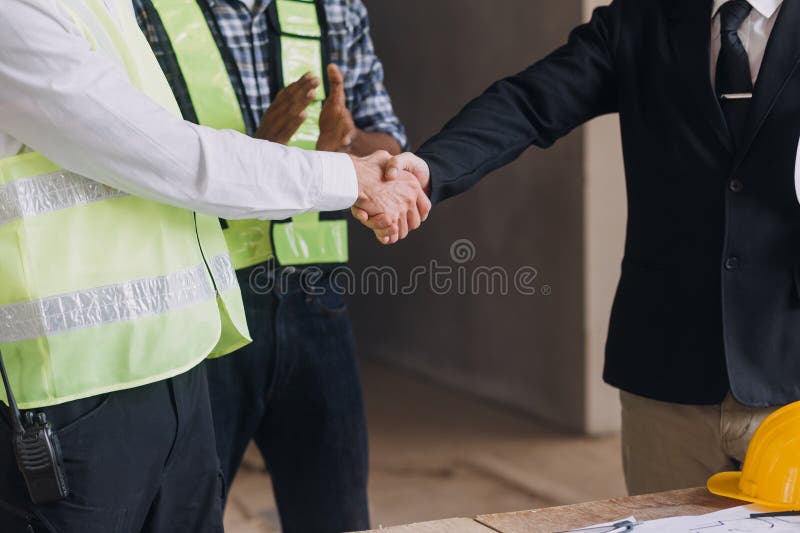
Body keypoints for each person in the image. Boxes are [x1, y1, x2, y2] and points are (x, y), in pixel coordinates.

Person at [0, 0, 427, 531]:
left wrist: (356, 156)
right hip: (72, 391)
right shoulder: (26, 16)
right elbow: (175, 159)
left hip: (188, 352)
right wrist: (345, 176)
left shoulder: (105, 7)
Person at [366, 0, 799, 494]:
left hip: (791, 372)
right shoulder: (642, 18)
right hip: (666, 372)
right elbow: (529, 102)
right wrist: (430, 168)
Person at [132, 0, 405, 530]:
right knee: (182, 516)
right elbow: (134, 167)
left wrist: (345, 146)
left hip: (317, 307)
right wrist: (257, 156)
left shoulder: (337, 9)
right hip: (202, 312)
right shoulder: (141, 11)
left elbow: (388, 146)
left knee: (337, 518)